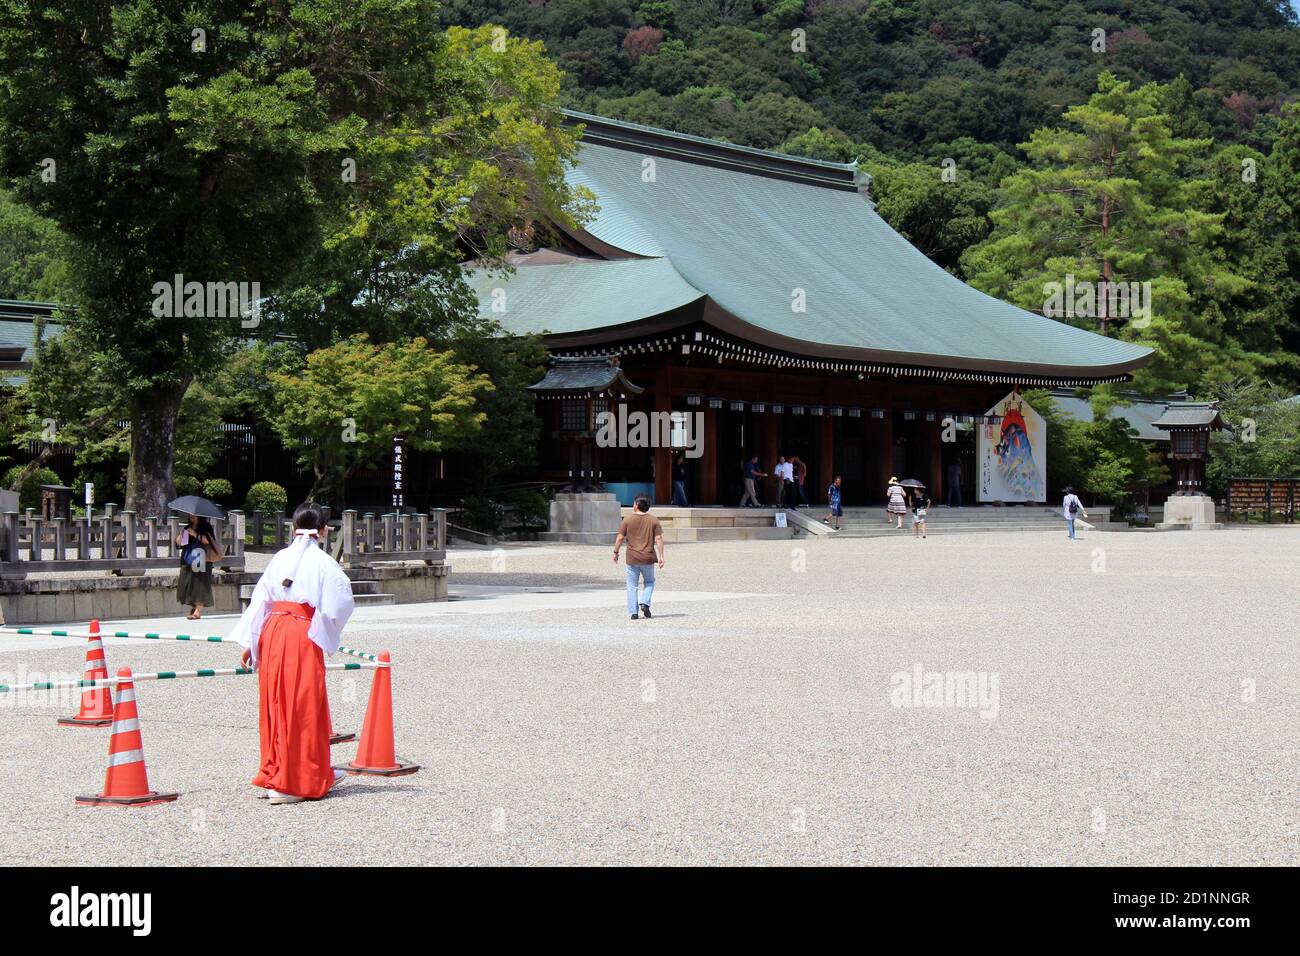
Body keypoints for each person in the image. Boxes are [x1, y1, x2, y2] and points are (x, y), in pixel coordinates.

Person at [231, 503, 356, 805]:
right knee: (302, 705)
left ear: (292, 528)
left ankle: (278, 771)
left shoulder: (280, 558)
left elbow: (261, 599)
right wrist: (324, 631)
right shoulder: (325, 563)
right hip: (301, 631)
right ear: (323, 531)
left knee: (277, 703)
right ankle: (295, 781)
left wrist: (252, 640)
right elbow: (339, 605)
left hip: (274, 630)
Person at [613, 495, 664, 620]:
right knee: (650, 582)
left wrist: (615, 552)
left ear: (636, 504)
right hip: (648, 557)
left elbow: (620, 537)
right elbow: (659, 539)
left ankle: (633, 612)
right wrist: (661, 556)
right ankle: (645, 602)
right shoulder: (653, 520)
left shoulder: (627, 520)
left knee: (631, 585)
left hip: (632, 558)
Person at [175, 513, 220, 620]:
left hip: (202, 558)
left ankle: (197, 611)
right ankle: (194, 606)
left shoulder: (206, 527)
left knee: (201, 584)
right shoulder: (187, 527)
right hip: (188, 558)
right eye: (190, 516)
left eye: (194, 516)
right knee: (187, 582)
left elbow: (208, 541)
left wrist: (195, 534)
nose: (191, 517)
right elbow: (180, 544)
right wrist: (182, 535)